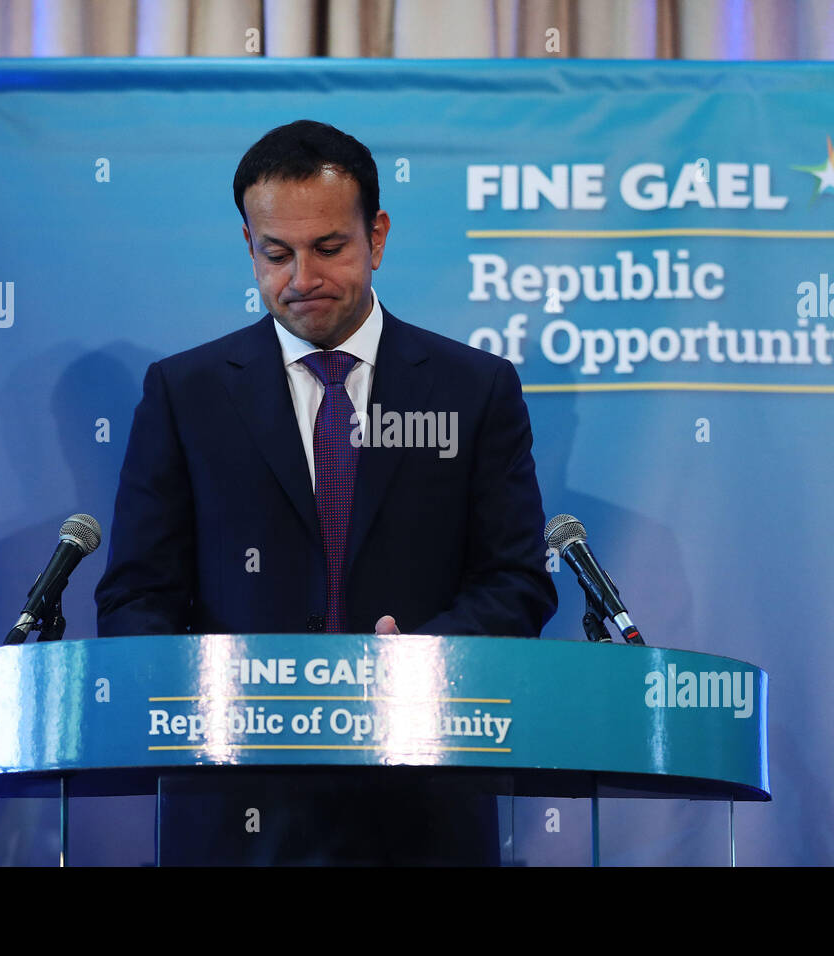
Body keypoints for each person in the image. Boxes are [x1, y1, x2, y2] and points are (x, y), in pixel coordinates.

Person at [95, 119, 556, 864]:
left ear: (376, 237)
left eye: (328, 248)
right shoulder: (187, 393)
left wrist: (420, 661)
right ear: (249, 246)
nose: (300, 278)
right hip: (231, 810)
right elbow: (134, 597)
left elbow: (516, 582)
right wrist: (215, 695)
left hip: (422, 802)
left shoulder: (476, 390)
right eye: (275, 254)